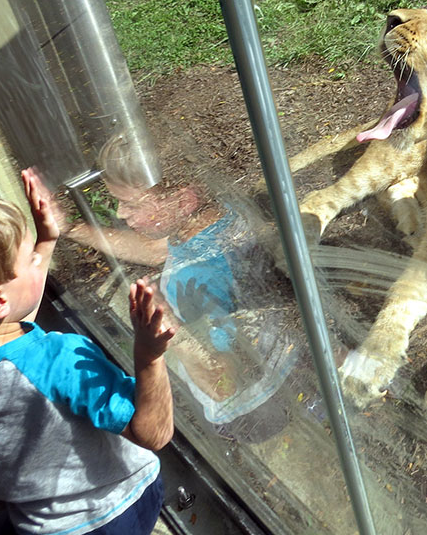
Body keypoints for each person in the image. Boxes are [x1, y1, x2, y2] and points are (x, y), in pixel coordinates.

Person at [0, 168, 175, 535]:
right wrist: (149, 356)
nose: (36, 259)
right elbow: (152, 434)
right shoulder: (60, 360)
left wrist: (46, 240)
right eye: (28, 259)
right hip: (115, 511)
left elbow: (9, 331)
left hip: (37, 517)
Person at [56, 134, 304, 440]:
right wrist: (71, 228)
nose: (121, 213)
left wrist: (165, 325)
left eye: (130, 204)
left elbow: (221, 384)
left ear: (185, 200)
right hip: (282, 364)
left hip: (250, 409)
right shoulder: (210, 220)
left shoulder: (206, 277)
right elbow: (155, 250)